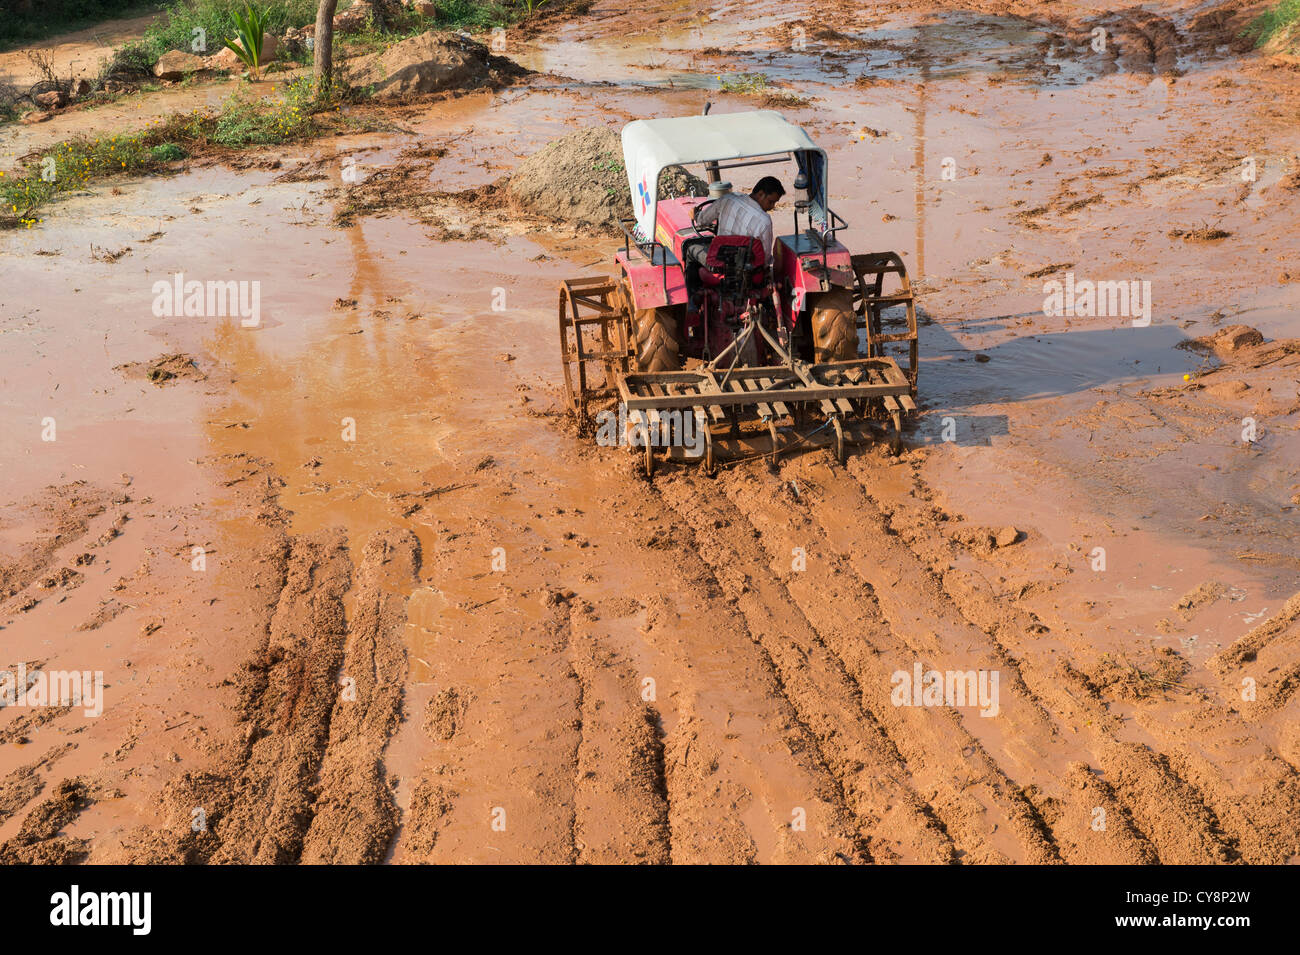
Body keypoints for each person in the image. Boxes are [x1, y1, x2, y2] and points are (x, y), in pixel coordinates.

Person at [690, 176, 785, 269]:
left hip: (720, 264)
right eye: (771, 202)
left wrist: (695, 215)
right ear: (760, 194)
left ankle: (693, 284)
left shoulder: (727, 199)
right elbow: (765, 256)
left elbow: (702, 221)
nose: (772, 207)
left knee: (691, 248)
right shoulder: (765, 221)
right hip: (747, 270)